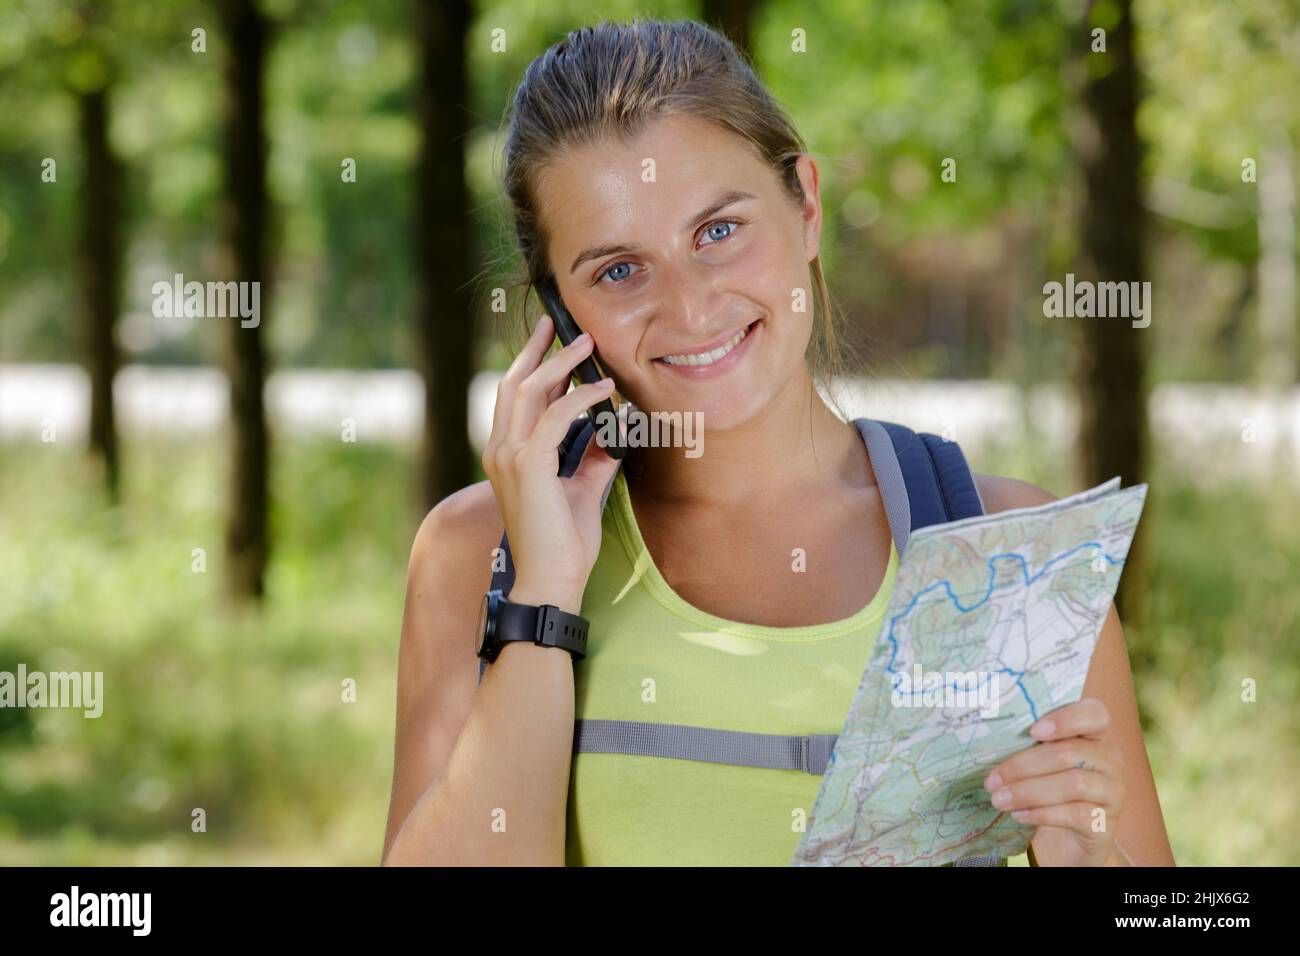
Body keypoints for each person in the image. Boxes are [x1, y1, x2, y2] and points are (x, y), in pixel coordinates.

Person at [381, 17, 1175, 867]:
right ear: (561, 311)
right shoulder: (477, 556)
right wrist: (539, 601)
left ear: (806, 206)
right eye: (618, 270)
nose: (689, 308)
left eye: (718, 231)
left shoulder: (1016, 559)